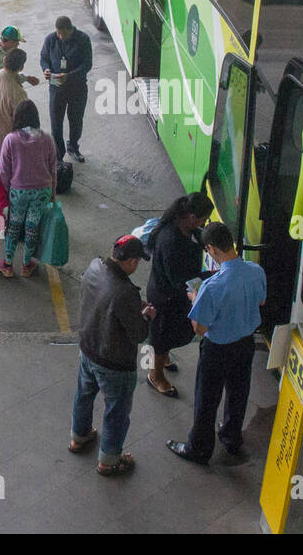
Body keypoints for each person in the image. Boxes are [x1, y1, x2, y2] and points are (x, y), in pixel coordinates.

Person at [167, 222, 265, 464]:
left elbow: (200, 328)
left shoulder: (212, 287)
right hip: (245, 345)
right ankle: (231, 437)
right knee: (238, 392)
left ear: (211, 249)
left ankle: (198, 448)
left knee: (207, 399)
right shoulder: (255, 271)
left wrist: (194, 298)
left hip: (217, 351)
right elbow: (260, 302)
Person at [69, 235, 155, 476]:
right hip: (113, 362)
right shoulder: (125, 291)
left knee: (84, 395)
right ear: (131, 261)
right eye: (137, 260)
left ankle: (79, 437)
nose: (137, 265)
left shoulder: (94, 266)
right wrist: (146, 315)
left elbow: (102, 301)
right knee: (116, 411)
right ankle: (108, 460)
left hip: (87, 348)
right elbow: (138, 333)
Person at [145, 192, 214, 397]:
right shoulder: (171, 241)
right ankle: (155, 374)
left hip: (173, 295)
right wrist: (209, 275)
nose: (204, 222)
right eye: (203, 218)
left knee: (167, 334)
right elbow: (180, 280)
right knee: (159, 336)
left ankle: (163, 359)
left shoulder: (187, 229)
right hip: (165, 297)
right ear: (192, 217)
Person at [0, 99, 57, 278]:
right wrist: (53, 194)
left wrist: (8, 190)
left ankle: (7, 264)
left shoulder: (10, 139)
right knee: (32, 227)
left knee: (13, 226)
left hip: (18, 191)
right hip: (42, 191)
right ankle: (26, 264)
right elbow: (53, 168)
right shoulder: (47, 139)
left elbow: (3, 169)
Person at [40, 15, 93, 163]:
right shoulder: (51, 39)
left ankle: (73, 146)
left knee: (76, 120)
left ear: (70, 30)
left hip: (77, 88)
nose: (59, 36)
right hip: (56, 89)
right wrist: (46, 70)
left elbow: (87, 64)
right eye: (57, 33)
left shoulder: (83, 40)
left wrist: (68, 76)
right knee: (56, 122)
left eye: (61, 33)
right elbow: (44, 58)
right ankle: (58, 153)